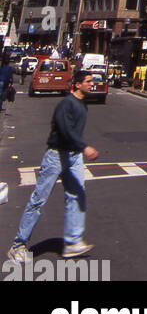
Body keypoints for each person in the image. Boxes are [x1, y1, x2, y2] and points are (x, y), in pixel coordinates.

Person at [6, 69, 100, 262]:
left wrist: (79, 149)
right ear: (78, 84)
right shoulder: (67, 104)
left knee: (77, 195)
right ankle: (18, 245)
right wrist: (85, 147)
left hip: (73, 157)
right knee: (38, 199)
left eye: (92, 81)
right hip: (56, 156)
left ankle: (73, 242)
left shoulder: (83, 104)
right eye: (89, 81)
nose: (92, 84)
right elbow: (65, 130)